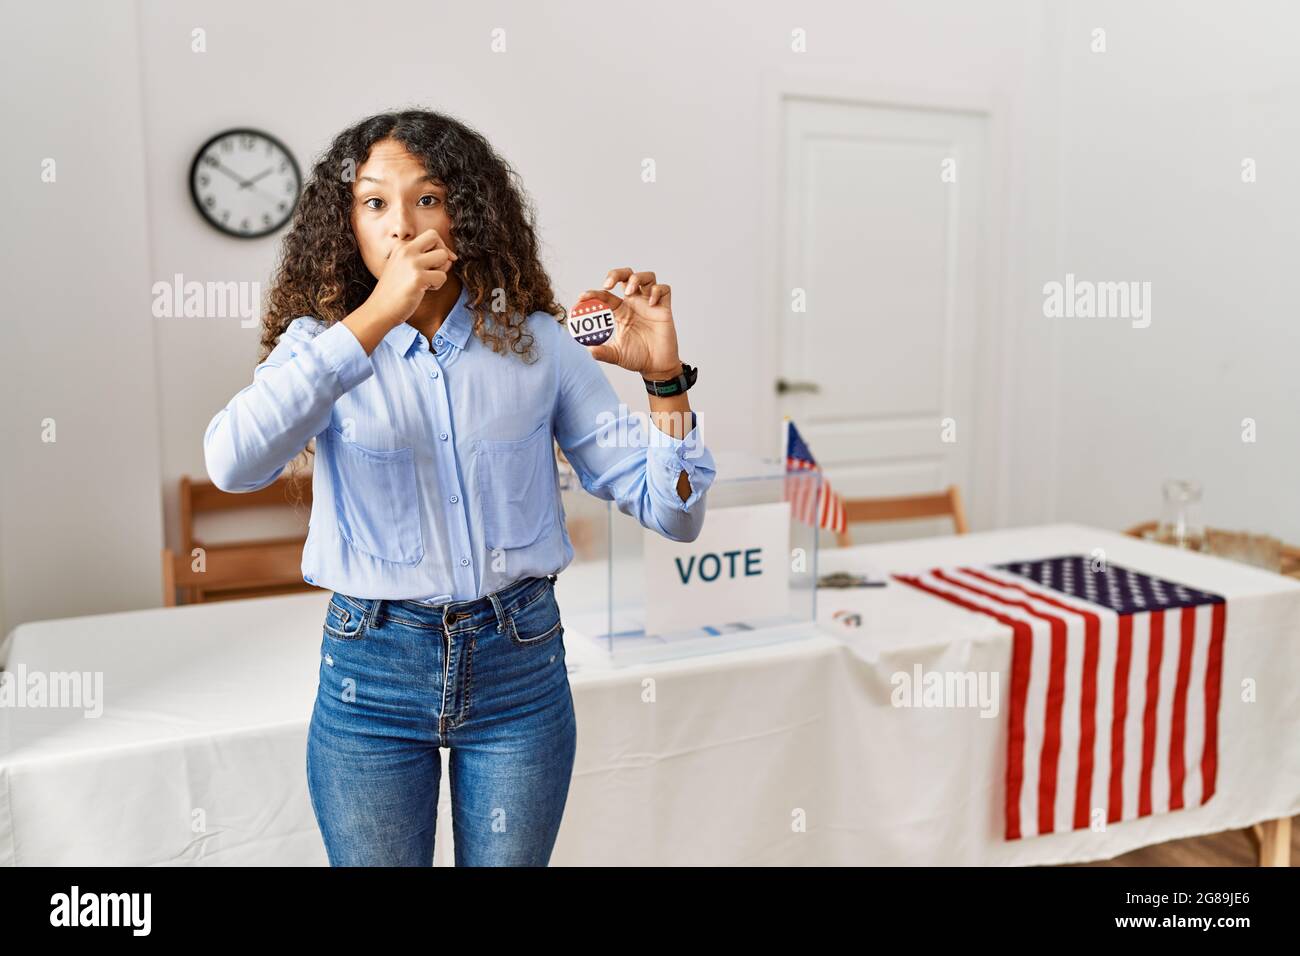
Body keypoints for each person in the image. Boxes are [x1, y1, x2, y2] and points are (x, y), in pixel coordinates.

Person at [202, 109, 717, 866]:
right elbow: (234, 463)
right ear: (347, 223)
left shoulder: (540, 341)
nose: (403, 225)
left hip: (520, 668)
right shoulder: (319, 346)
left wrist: (666, 380)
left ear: (467, 213)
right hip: (370, 674)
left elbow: (675, 516)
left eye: (428, 199)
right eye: (375, 202)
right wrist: (378, 317)